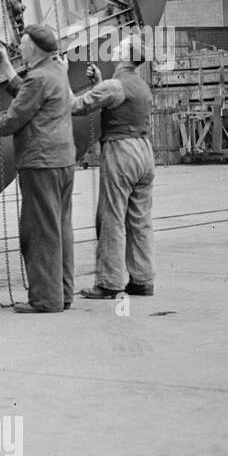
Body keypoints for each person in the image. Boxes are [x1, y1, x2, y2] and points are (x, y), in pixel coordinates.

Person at [0, 23, 76, 313]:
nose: (20, 47)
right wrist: (6, 66)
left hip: (40, 164)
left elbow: (10, 122)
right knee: (60, 228)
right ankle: (63, 294)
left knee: (39, 232)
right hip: (63, 162)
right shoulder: (56, 72)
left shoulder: (39, 78)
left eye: (24, 44)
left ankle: (45, 299)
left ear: (36, 49)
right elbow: (29, 92)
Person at [71, 36, 155, 299]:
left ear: (126, 55)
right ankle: (142, 279)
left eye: (120, 46)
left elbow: (77, 106)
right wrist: (98, 84)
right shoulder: (141, 85)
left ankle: (109, 282)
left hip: (122, 152)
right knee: (139, 220)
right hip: (144, 151)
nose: (115, 48)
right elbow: (115, 102)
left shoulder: (116, 85)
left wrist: (62, 78)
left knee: (111, 217)